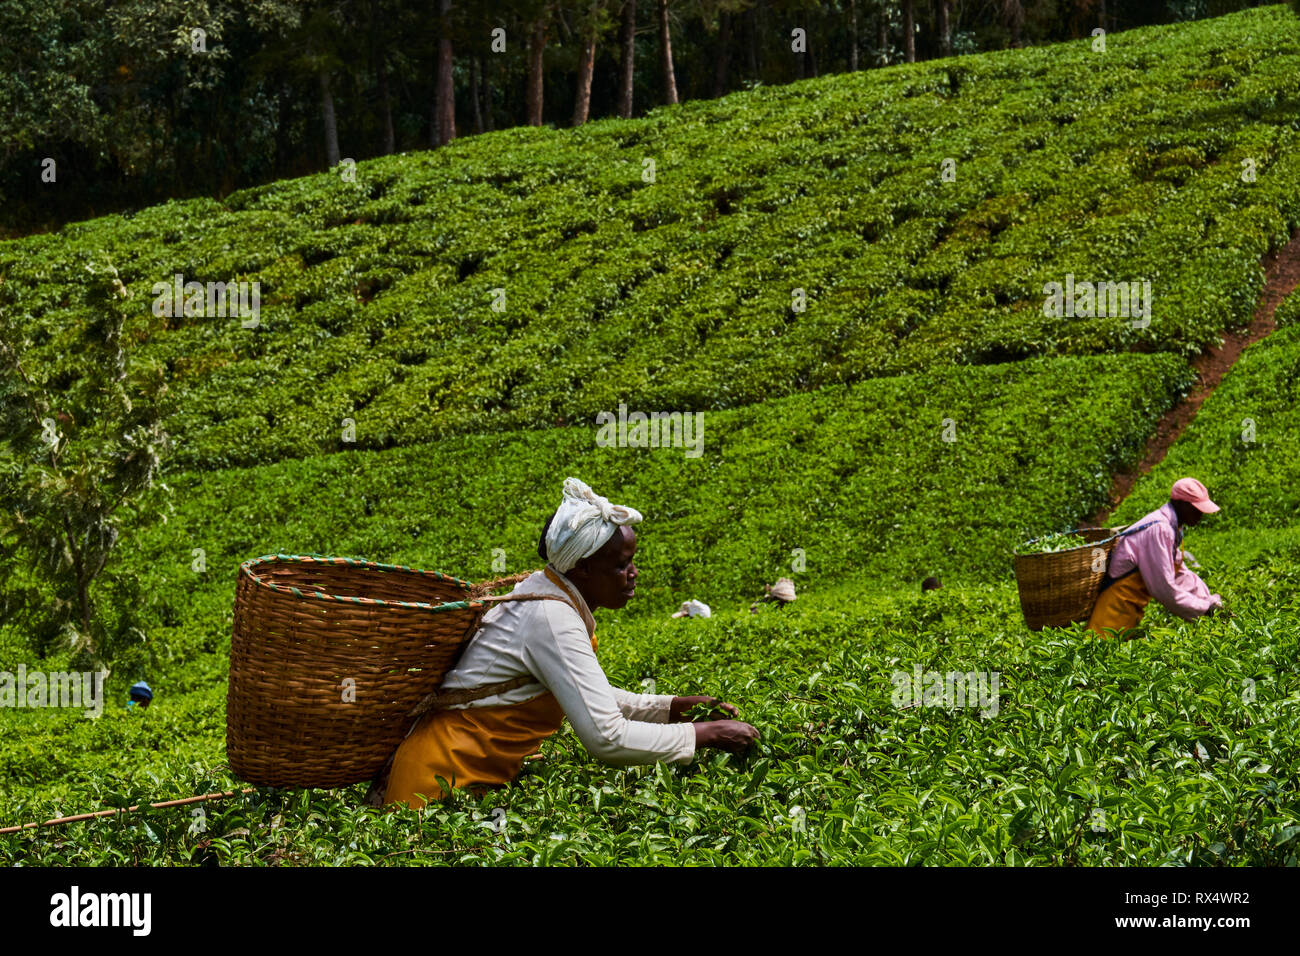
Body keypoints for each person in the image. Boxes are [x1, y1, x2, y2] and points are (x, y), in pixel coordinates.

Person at [384, 477, 760, 809]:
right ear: (582, 568)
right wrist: (704, 734)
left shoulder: (548, 595)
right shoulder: (551, 617)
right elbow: (607, 738)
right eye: (620, 565)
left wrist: (675, 707)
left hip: (460, 782)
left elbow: (585, 692)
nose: (633, 574)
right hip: (434, 789)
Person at [1087, 477, 1224, 639]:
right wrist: (1204, 609)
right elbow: (1164, 588)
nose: (1200, 515)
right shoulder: (1160, 530)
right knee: (1096, 653)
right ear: (1181, 504)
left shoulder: (1171, 528)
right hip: (1114, 609)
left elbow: (1179, 573)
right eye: (1196, 509)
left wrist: (1209, 600)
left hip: (1129, 608)